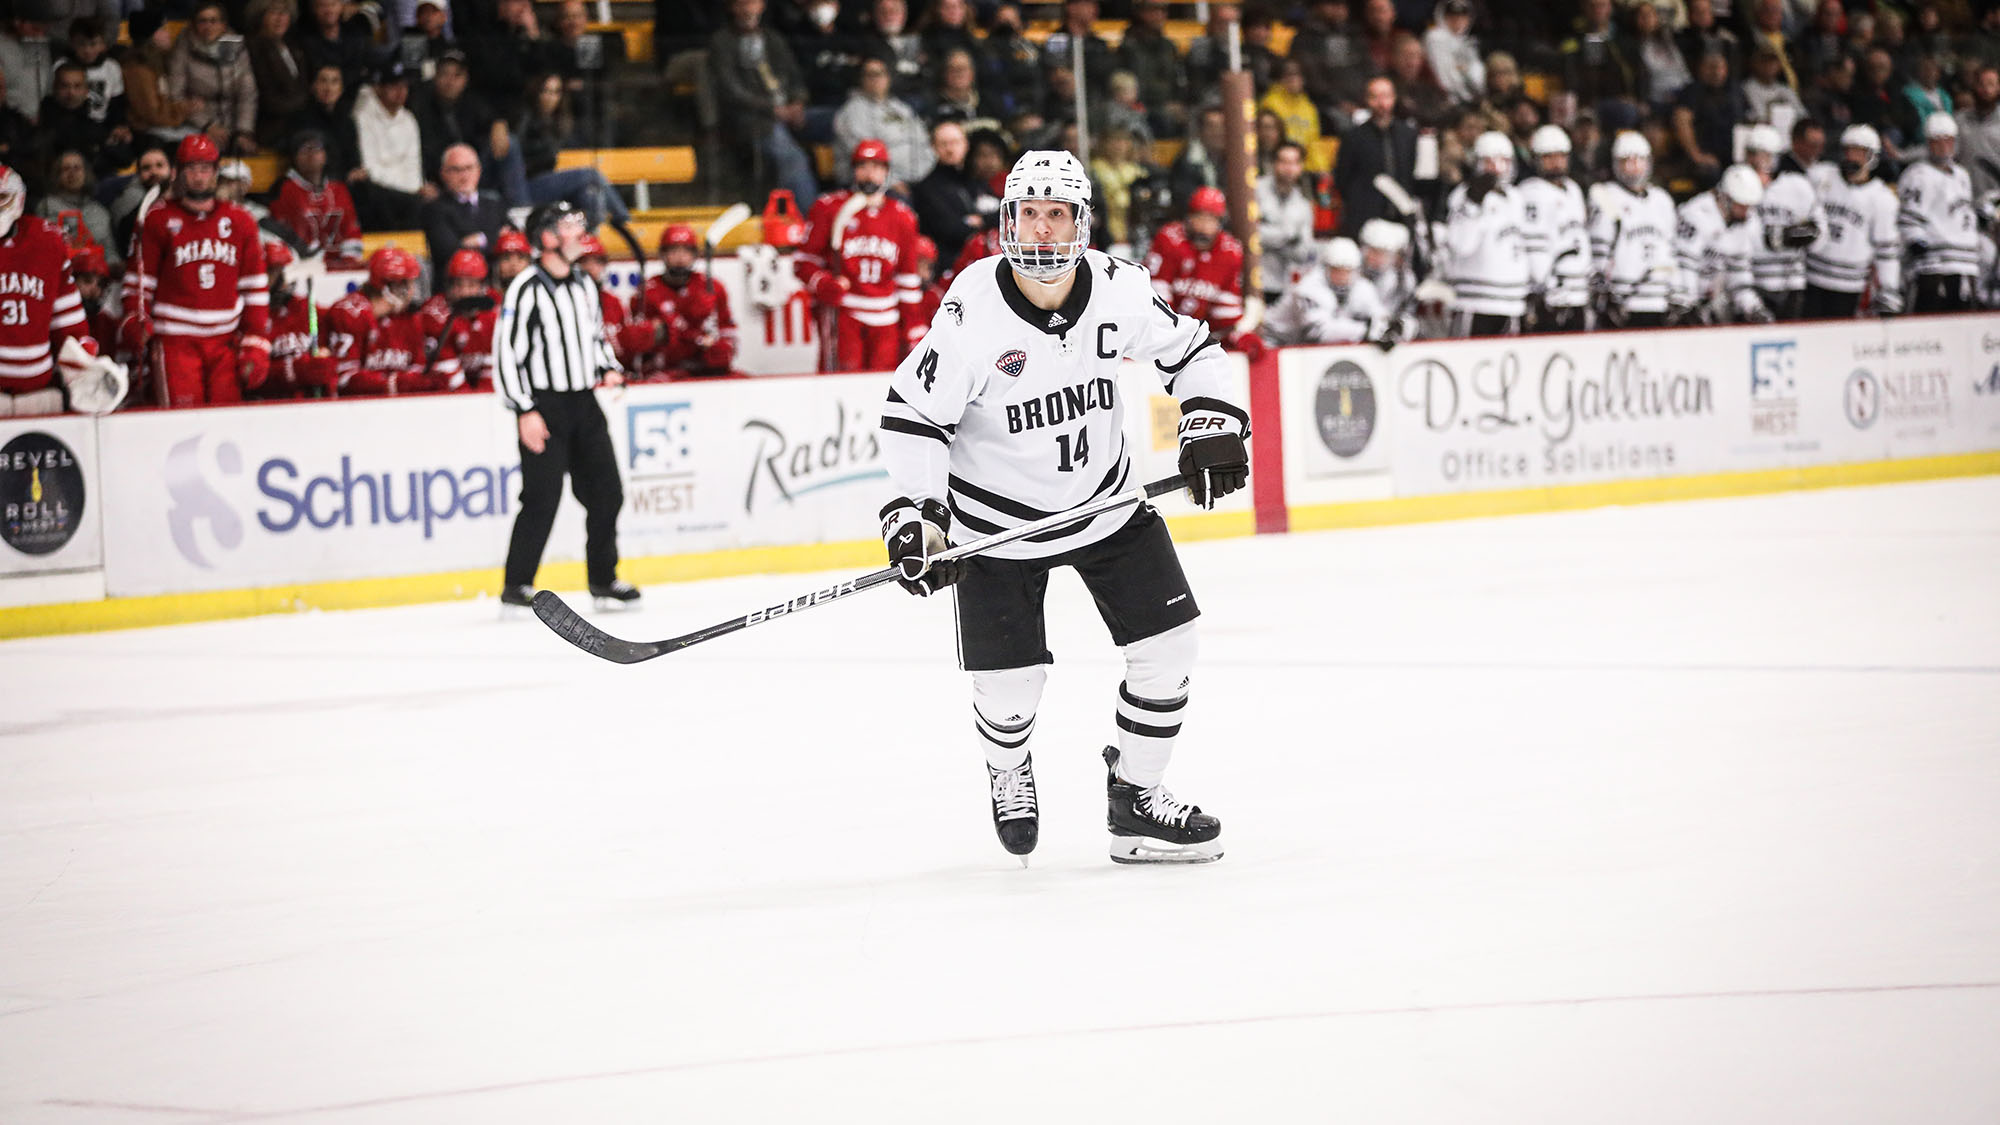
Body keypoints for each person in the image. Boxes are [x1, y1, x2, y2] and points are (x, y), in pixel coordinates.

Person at [875, 148, 1244, 864]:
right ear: (1007, 221)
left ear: (1082, 222)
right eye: (1028, 213)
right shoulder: (971, 315)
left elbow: (1194, 352)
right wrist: (918, 514)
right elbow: (913, 417)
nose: (1041, 229)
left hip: (1108, 505)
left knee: (1170, 647)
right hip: (997, 531)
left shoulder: (1119, 289)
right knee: (1010, 695)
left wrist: (1210, 421)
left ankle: (1136, 799)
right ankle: (1008, 763)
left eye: (1057, 214)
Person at [495, 201, 636, 611]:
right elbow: (507, 355)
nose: (580, 229)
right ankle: (517, 584)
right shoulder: (525, 288)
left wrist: (608, 368)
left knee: (607, 492)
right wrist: (524, 410)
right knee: (542, 496)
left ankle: (603, 579)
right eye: (569, 224)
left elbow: (594, 338)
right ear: (547, 237)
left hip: (584, 403)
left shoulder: (584, 284)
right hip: (545, 405)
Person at [122, 135, 270, 407]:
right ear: (177, 172)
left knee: (226, 419)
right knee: (182, 421)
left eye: (205, 169)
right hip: (175, 342)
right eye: (192, 169)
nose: (199, 177)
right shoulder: (158, 219)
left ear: (216, 172)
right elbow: (139, 283)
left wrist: (255, 340)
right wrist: (135, 317)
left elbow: (255, 288)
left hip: (225, 343)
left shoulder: (241, 221)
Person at [796, 138, 923, 371]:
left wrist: (913, 324)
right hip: (845, 312)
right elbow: (803, 262)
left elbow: (907, 277)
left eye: (876, 167)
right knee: (842, 379)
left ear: (886, 172)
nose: (869, 174)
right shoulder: (829, 207)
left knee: (883, 383)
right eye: (862, 166)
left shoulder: (903, 216)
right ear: (853, 170)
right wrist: (824, 284)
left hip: (887, 318)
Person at [0, 165, 105, 417]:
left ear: (18, 198)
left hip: (41, 390)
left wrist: (81, 356)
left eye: (2, 197)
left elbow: (67, 317)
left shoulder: (46, 241)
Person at [1804, 124, 1901, 318]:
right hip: (1811, 277)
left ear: (1872, 156)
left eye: (1859, 152)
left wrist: (1889, 289)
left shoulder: (1882, 198)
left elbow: (1886, 250)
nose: (1851, 156)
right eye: (1848, 150)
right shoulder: (1821, 176)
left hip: (1849, 285)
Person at [1445, 132, 1532, 337]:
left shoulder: (1516, 197)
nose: (1497, 168)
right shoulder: (1463, 196)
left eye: (1504, 161)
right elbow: (1460, 245)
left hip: (1513, 303)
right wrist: (1473, 204)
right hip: (1475, 303)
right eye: (1490, 162)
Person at [1589, 130, 1677, 327]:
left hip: (1659, 298)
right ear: (1616, 164)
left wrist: (1676, 291)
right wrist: (1603, 292)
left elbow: (1671, 251)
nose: (1634, 166)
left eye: (1639, 160)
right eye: (1626, 161)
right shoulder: (1604, 195)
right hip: (1625, 300)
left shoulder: (1662, 200)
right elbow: (1598, 252)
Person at [628, 222, 736, 378]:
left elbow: (728, 335)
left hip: (706, 369)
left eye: (686, 251)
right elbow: (639, 348)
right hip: (665, 372)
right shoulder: (646, 293)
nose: (680, 257)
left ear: (694, 255)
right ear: (663, 254)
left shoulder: (713, 288)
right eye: (674, 251)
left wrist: (718, 348)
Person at [1898, 113, 1979, 312]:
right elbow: (1909, 218)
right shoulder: (1918, 175)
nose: (1944, 146)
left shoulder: (1962, 175)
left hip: (1966, 265)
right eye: (1937, 141)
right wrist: (1916, 241)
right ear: (1928, 143)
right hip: (1935, 268)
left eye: (1948, 140)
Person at [1672, 164, 1771, 324]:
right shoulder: (1696, 214)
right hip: (1680, 300)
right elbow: (1683, 265)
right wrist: (1688, 303)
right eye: (1741, 205)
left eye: (1749, 206)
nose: (1746, 211)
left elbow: (1739, 273)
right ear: (1725, 198)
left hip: (1709, 300)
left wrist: (1753, 307)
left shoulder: (1745, 220)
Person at [1144, 186, 1245, 341]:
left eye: (1211, 219)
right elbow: (1153, 296)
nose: (1204, 227)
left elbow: (1226, 312)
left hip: (1198, 337)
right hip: (1159, 333)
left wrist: (1234, 337)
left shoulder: (1231, 251)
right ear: (1188, 217)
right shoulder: (1168, 240)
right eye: (1199, 217)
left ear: (1220, 222)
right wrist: (1176, 335)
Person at [1518, 125, 1591, 334]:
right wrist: (1543, 285)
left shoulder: (1574, 189)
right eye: (1548, 157)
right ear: (1536, 159)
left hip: (1577, 291)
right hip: (1549, 294)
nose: (1556, 162)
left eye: (1560, 156)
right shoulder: (1530, 192)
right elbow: (1533, 247)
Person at [1752, 120, 1827, 320]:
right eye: (1753, 153)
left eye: (1766, 154)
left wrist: (1791, 236)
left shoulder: (1798, 185)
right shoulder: (1737, 183)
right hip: (1752, 280)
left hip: (1791, 282)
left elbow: (1821, 237)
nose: (1759, 160)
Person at [1334, 76, 1421, 239]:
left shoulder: (1408, 135)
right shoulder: (1353, 137)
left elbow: (1413, 173)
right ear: (1367, 100)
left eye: (1386, 96)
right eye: (1375, 97)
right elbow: (1342, 179)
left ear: (1394, 98)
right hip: (1364, 220)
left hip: (1400, 216)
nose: (1381, 103)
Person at [167, 3, 259, 156]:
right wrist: (207, 125)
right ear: (194, 25)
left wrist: (243, 131)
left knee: (245, 151)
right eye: (202, 21)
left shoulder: (235, 48)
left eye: (213, 21)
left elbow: (247, 94)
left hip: (233, 126)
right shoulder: (183, 49)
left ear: (223, 25)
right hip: (197, 124)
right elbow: (176, 97)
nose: (208, 26)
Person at [353, 62, 436, 230]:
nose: (400, 91)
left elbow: (413, 164)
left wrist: (415, 188)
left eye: (404, 86)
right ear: (378, 88)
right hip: (380, 190)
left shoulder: (409, 119)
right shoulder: (363, 117)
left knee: (428, 200)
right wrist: (408, 190)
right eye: (393, 86)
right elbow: (370, 167)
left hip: (409, 192)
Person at [833, 52, 932, 191]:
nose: (876, 79)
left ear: (888, 78)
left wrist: (931, 172)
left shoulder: (901, 108)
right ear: (861, 79)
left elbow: (923, 142)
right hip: (878, 185)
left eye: (880, 74)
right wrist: (891, 182)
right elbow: (864, 159)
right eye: (870, 75)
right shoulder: (852, 112)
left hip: (920, 179)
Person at [1261, 236, 1385, 345]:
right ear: (1326, 267)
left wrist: (1383, 329)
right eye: (1337, 270)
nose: (1342, 276)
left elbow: (1380, 317)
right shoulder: (1308, 287)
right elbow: (1318, 333)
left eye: (1347, 271)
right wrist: (1366, 330)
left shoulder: (1362, 286)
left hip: (1299, 347)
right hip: (1274, 341)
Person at [271, 131, 364, 266]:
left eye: (316, 148)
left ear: (325, 155)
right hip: (301, 267)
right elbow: (280, 236)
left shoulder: (339, 189)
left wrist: (349, 262)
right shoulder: (284, 190)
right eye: (304, 149)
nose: (311, 154)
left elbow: (351, 232)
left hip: (340, 267)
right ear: (294, 157)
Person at [258, 237, 336, 398]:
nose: (266, 279)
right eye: (269, 272)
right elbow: (248, 376)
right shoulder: (249, 314)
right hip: (266, 405)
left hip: (308, 404)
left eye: (275, 272)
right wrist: (294, 370)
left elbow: (334, 358)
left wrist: (324, 364)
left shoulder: (307, 309)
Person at [419, 247, 502, 391]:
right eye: (458, 285)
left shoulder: (492, 308)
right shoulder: (434, 315)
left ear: (482, 286)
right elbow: (446, 370)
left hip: (476, 393)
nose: (465, 292)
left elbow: (493, 362)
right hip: (442, 394)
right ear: (449, 285)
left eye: (471, 285)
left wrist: (485, 395)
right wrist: (470, 398)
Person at [421, 142, 509, 266]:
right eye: (456, 170)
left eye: (469, 168)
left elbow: (512, 240)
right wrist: (495, 239)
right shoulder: (435, 209)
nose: (464, 175)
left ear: (479, 170)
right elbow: (449, 252)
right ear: (443, 174)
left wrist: (480, 240)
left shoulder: (494, 203)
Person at [1255, 141, 1317, 303]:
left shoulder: (1303, 205)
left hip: (1282, 285)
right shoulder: (1255, 190)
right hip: (1252, 278)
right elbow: (1250, 234)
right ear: (1274, 163)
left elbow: (1303, 252)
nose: (1289, 168)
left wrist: (1270, 236)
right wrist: (1289, 237)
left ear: (1300, 167)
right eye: (1284, 161)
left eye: (1294, 163)